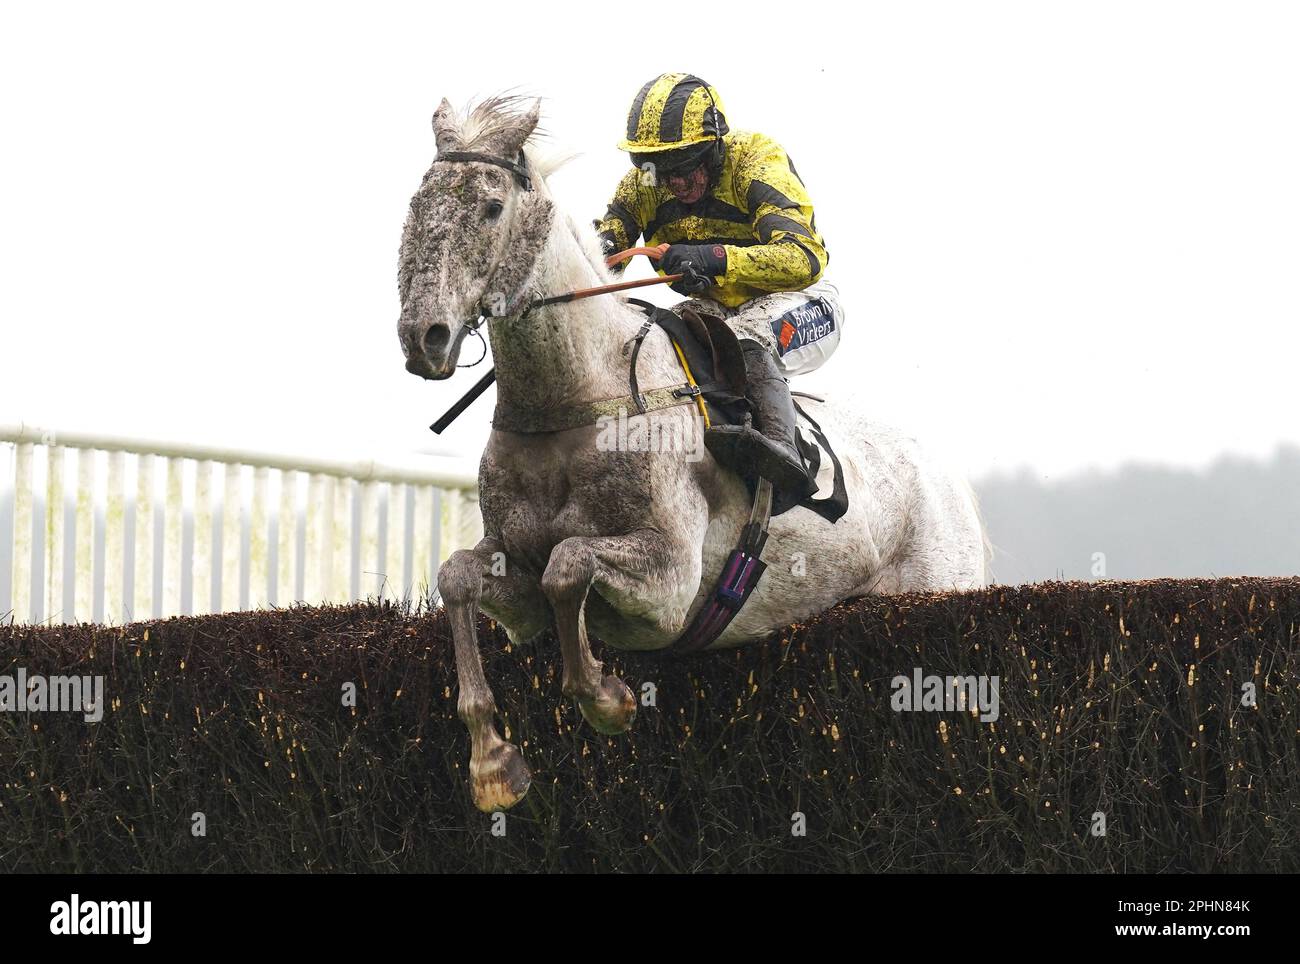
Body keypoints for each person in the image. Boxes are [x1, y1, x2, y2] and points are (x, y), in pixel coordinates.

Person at [594, 72, 843, 502]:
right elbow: (601, 252)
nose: (674, 181)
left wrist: (715, 257)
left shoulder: (754, 161)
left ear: (714, 147)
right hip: (716, 309)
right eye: (659, 166)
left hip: (803, 302)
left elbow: (805, 258)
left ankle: (784, 452)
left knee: (742, 338)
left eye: (687, 162)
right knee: (659, 346)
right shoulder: (643, 183)